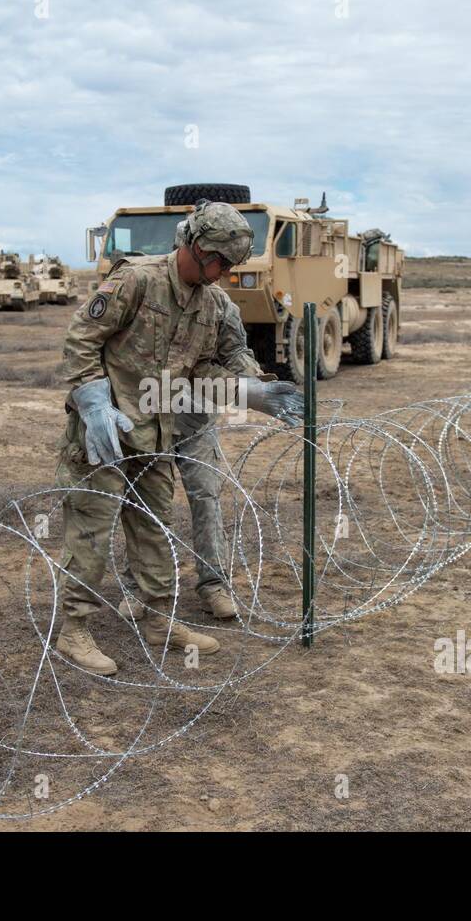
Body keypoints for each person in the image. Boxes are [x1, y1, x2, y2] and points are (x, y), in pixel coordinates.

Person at [53, 200, 301, 675]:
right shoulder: (137, 279)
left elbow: (201, 365)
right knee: (91, 530)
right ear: (195, 246)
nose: (224, 273)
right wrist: (92, 399)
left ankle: (159, 621)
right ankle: (74, 630)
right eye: (220, 262)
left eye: (231, 265)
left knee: (154, 531)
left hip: (157, 435)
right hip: (107, 431)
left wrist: (252, 391)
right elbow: (82, 336)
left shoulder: (208, 304)